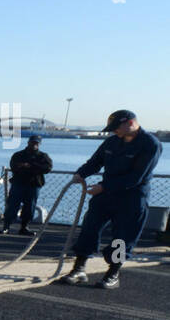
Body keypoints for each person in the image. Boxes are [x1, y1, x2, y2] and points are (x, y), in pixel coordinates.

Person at [59, 109, 163, 289]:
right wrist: (80, 174)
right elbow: (95, 162)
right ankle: (79, 268)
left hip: (132, 197)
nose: (115, 131)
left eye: (117, 127)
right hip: (105, 195)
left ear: (130, 123)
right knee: (89, 228)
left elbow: (136, 177)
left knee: (122, 238)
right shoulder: (112, 142)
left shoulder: (150, 144)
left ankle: (113, 273)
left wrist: (104, 187)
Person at [1, 134, 52, 235]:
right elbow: (13, 166)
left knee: (30, 207)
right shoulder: (18, 155)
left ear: (39, 144)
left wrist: (31, 166)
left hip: (33, 185)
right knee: (12, 205)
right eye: (32, 142)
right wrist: (27, 167)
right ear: (28, 142)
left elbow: (47, 168)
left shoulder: (43, 156)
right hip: (18, 184)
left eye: (36, 143)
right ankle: (6, 226)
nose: (34, 145)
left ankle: (24, 227)